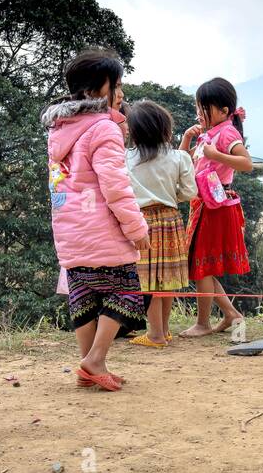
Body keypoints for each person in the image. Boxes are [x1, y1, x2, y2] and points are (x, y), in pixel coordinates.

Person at [43, 49, 150, 390]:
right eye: (115, 85)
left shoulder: (60, 130)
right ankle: (94, 360)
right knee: (125, 290)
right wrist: (136, 229)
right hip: (102, 230)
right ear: (92, 92)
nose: (120, 93)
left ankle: (90, 366)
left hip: (69, 231)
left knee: (83, 296)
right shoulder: (103, 129)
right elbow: (116, 188)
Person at [178, 77, 251, 338]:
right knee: (201, 265)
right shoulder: (208, 134)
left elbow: (246, 163)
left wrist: (216, 155)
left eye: (204, 108)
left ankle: (204, 322)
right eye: (199, 107)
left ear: (223, 111)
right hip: (202, 204)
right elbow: (184, 166)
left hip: (215, 206)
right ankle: (231, 314)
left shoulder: (228, 133)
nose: (200, 113)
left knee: (202, 264)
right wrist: (187, 140)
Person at [125, 100, 196, 346]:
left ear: (134, 131)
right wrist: (170, 197)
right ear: (165, 129)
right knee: (167, 277)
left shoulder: (127, 158)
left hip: (141, 221)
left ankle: (154, 334)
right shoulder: (178, 157)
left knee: (147, 278)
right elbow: (189, 192)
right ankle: (163, 330)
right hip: (170, 219)